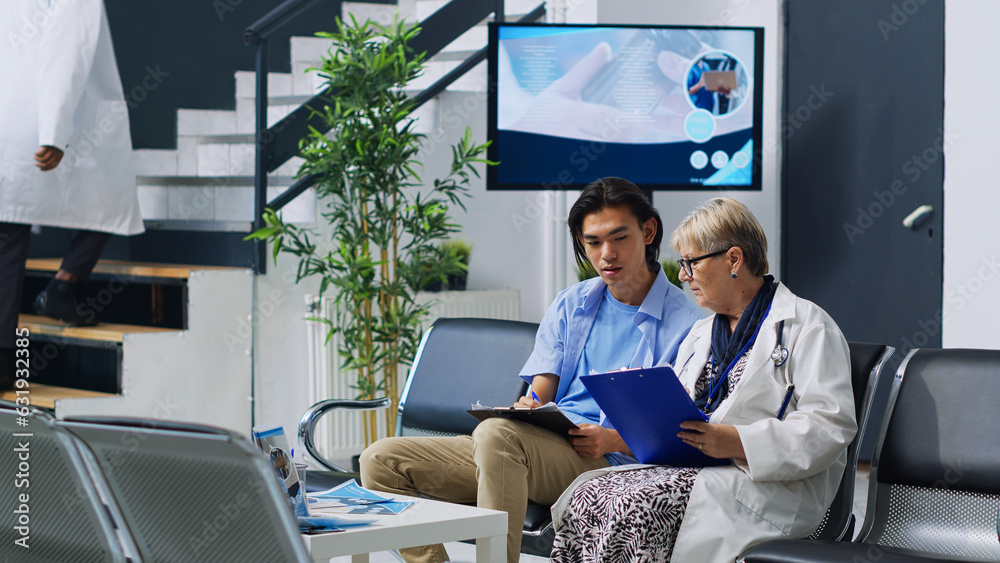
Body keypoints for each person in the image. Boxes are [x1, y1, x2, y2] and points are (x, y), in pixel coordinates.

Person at [360, 177, 703, 563]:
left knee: (496, 436)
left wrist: (612, 440)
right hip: (526, 450)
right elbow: (542, 393)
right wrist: (530, 407)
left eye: (619, 238)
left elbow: (680, 433)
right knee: (380, 460)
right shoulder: (571, 303)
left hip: (604, 461)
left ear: (648, 231)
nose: (607, 254)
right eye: (592, 242)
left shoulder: (688, 324)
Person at [549, 197, 857, 562]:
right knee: (594, 493)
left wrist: (736, 441)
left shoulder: (807, 326)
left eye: (691, 262)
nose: (682, 275)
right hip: (695, 470)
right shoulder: (701, 334)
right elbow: (681, 413)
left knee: (637, 505)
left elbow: (830, 426)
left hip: (767, 488)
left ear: (733, 260)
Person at [0, 0, 144, 389]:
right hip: (47, 119)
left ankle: (61, 289)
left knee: (7, 238)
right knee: (113, 199)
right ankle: (64, 284)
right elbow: (67, 53)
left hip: (10, 115)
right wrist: (54, 132)